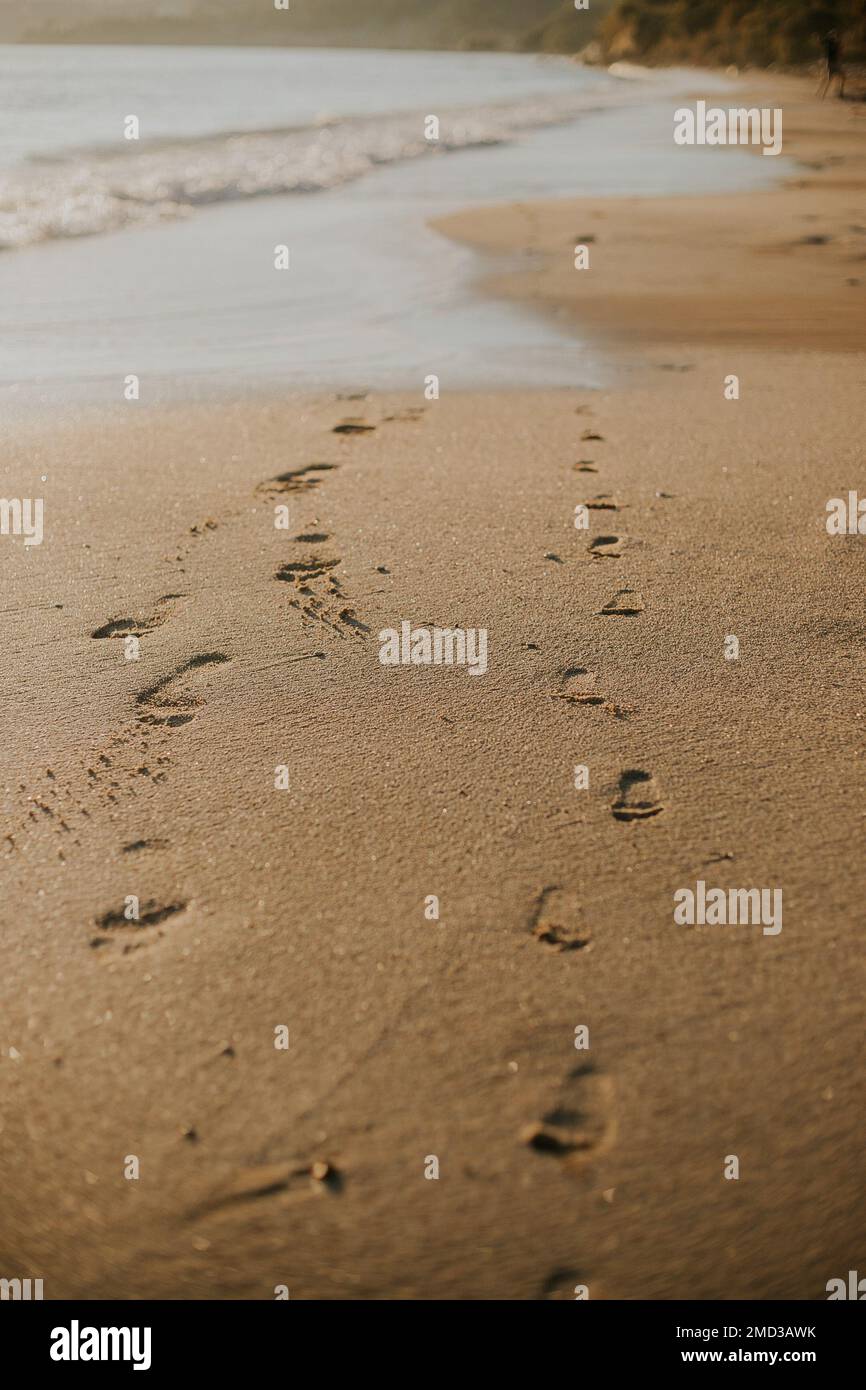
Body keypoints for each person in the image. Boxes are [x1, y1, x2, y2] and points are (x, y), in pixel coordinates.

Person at [818, 30, 846, 100]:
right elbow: (821, 42)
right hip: (831, 63)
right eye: (834, 35)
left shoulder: (835, 43)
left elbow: (840, 51)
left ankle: (840, 92)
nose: (835, 36)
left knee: (842, 77)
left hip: (834, 63)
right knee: (829, 79)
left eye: (835, 35)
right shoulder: (830, 42)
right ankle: (823, 95)